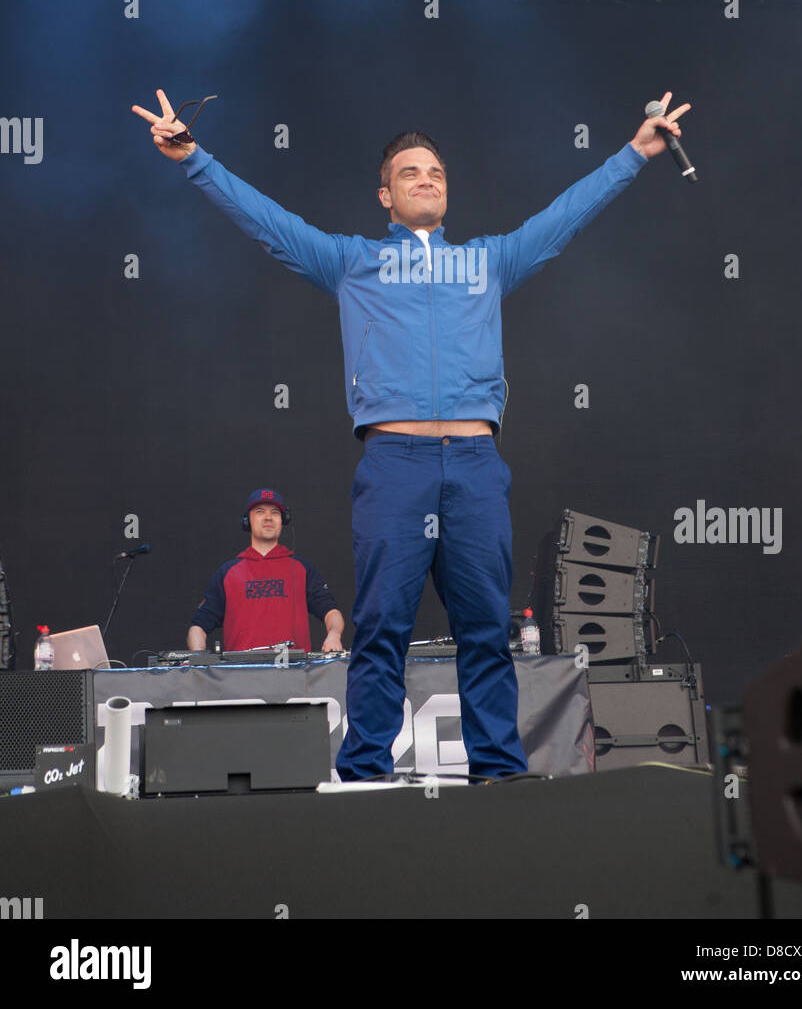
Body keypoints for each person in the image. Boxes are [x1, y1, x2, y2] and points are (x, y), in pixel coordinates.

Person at [133, 87, 690, 780]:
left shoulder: (487, 261)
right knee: (382, 632)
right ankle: (366, 772)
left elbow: (563, 218)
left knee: (487, 631)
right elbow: (268, 222)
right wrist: (194, 157)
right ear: (385, 197)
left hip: (476, 462)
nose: (426, 178)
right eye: (409, 173)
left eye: (436, 172)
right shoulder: (352, 261)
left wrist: (635, 153)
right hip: (394, 461)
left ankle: (499, 773)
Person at [186, 489, 345, 654]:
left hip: (294, 672)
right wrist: (198, 657)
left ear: (283, 521)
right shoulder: (227, 573)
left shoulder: (302, 568)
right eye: (260, 511)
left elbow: (330, 611)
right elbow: (199, 626)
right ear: (248, 520)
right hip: (239, 676)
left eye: (275, 513)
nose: (268, 517)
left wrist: (334, 635)